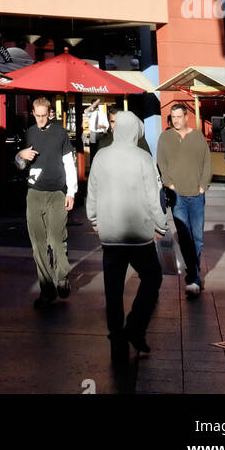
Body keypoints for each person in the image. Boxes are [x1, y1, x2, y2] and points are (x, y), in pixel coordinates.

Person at [86, 111, 167, 361]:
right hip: (138, 234)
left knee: (113, 288)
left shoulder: (101, 156)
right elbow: (155, 197)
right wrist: (160, 225)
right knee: (152, 277)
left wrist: (94, 219)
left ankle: (116, 334)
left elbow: (93, 191)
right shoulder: (143, 158)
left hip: (110, 234)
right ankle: (135, 325)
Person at [15, 95, 77, 308]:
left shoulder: (60, 133)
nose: (41, 119)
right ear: (33, 113)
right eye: (37, 115)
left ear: (50, 113)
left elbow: (69, 163)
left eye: (44, 115)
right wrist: (20, 155)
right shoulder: (29, 133)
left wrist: (72, 192)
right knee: (38, 244)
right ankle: (46, 290)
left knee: (57, 239)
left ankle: (62, 277)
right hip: (34, 192)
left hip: (57, 193)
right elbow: (20, 165)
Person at [157, 102, 212, 295]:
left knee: (198, 237)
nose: (176, 121)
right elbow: (161, 164)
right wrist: (170, 184)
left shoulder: (197, 137)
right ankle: (194, 277)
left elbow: (207, 163)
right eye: (173, 118)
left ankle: (193, 272)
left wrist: (203, 185)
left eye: (179, 117)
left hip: (197, 195)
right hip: (177, 195)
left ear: (186, 117)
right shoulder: (165, 138)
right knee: (185, 236)